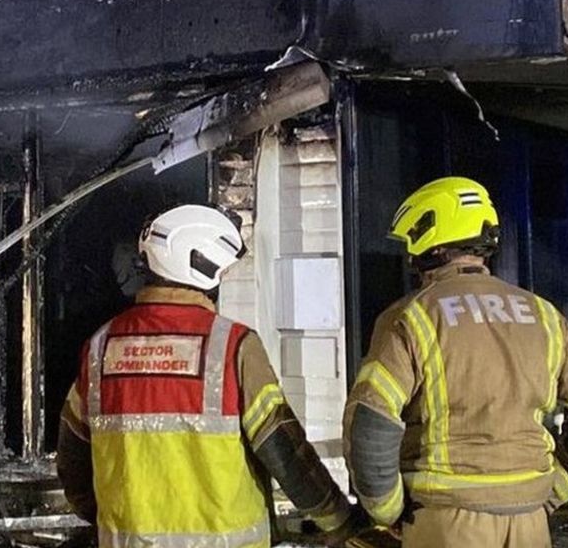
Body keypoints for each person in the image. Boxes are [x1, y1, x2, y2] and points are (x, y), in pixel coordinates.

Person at [57, 204, 365, 548]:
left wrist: (111, 517)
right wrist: (340, 521)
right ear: (204, 267)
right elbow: (284, 450)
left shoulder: (101, 348)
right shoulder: (232, 346)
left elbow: (73, 464)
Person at [343, 177, 568, 547]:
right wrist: (551, 492)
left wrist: (389, 511)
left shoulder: (411, 318)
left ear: (429, 238)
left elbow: (371, 425)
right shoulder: (544, 315)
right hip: (529, 522)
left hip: (445, 521)